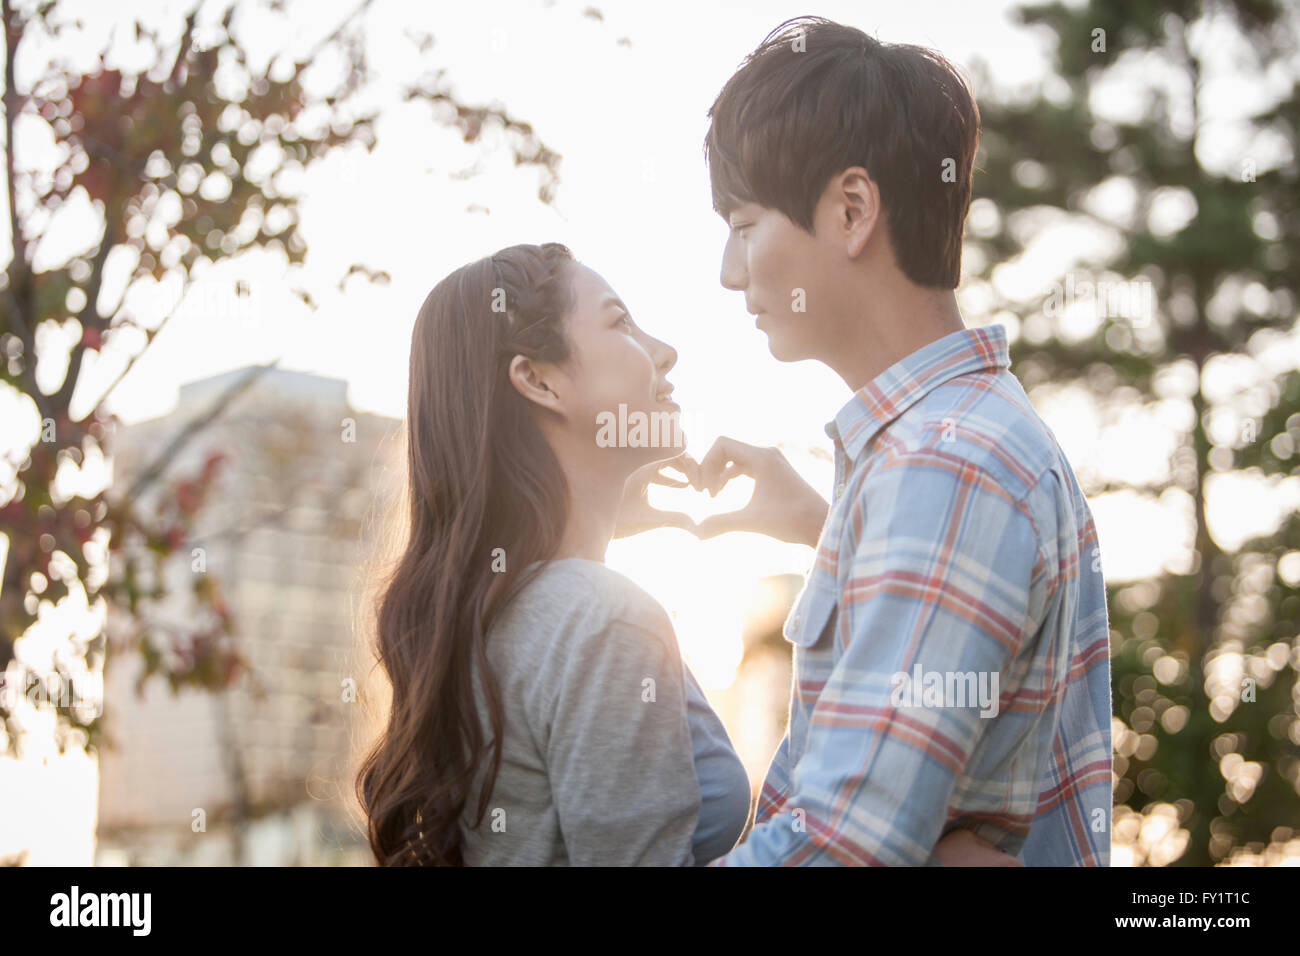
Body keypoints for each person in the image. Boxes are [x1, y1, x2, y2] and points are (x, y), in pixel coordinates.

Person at [357, 241, 1021, 865]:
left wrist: (818, 528)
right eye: (621, 324)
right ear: (540, 382)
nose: (665, 352)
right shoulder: (600, 617)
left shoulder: (503, 610)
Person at [670, 17, 1113, 865]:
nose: (731, 273)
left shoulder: (946, 466)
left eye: (744, 223)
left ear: (851, 210)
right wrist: (829, 523)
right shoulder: (964, 446)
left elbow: (845, 846)